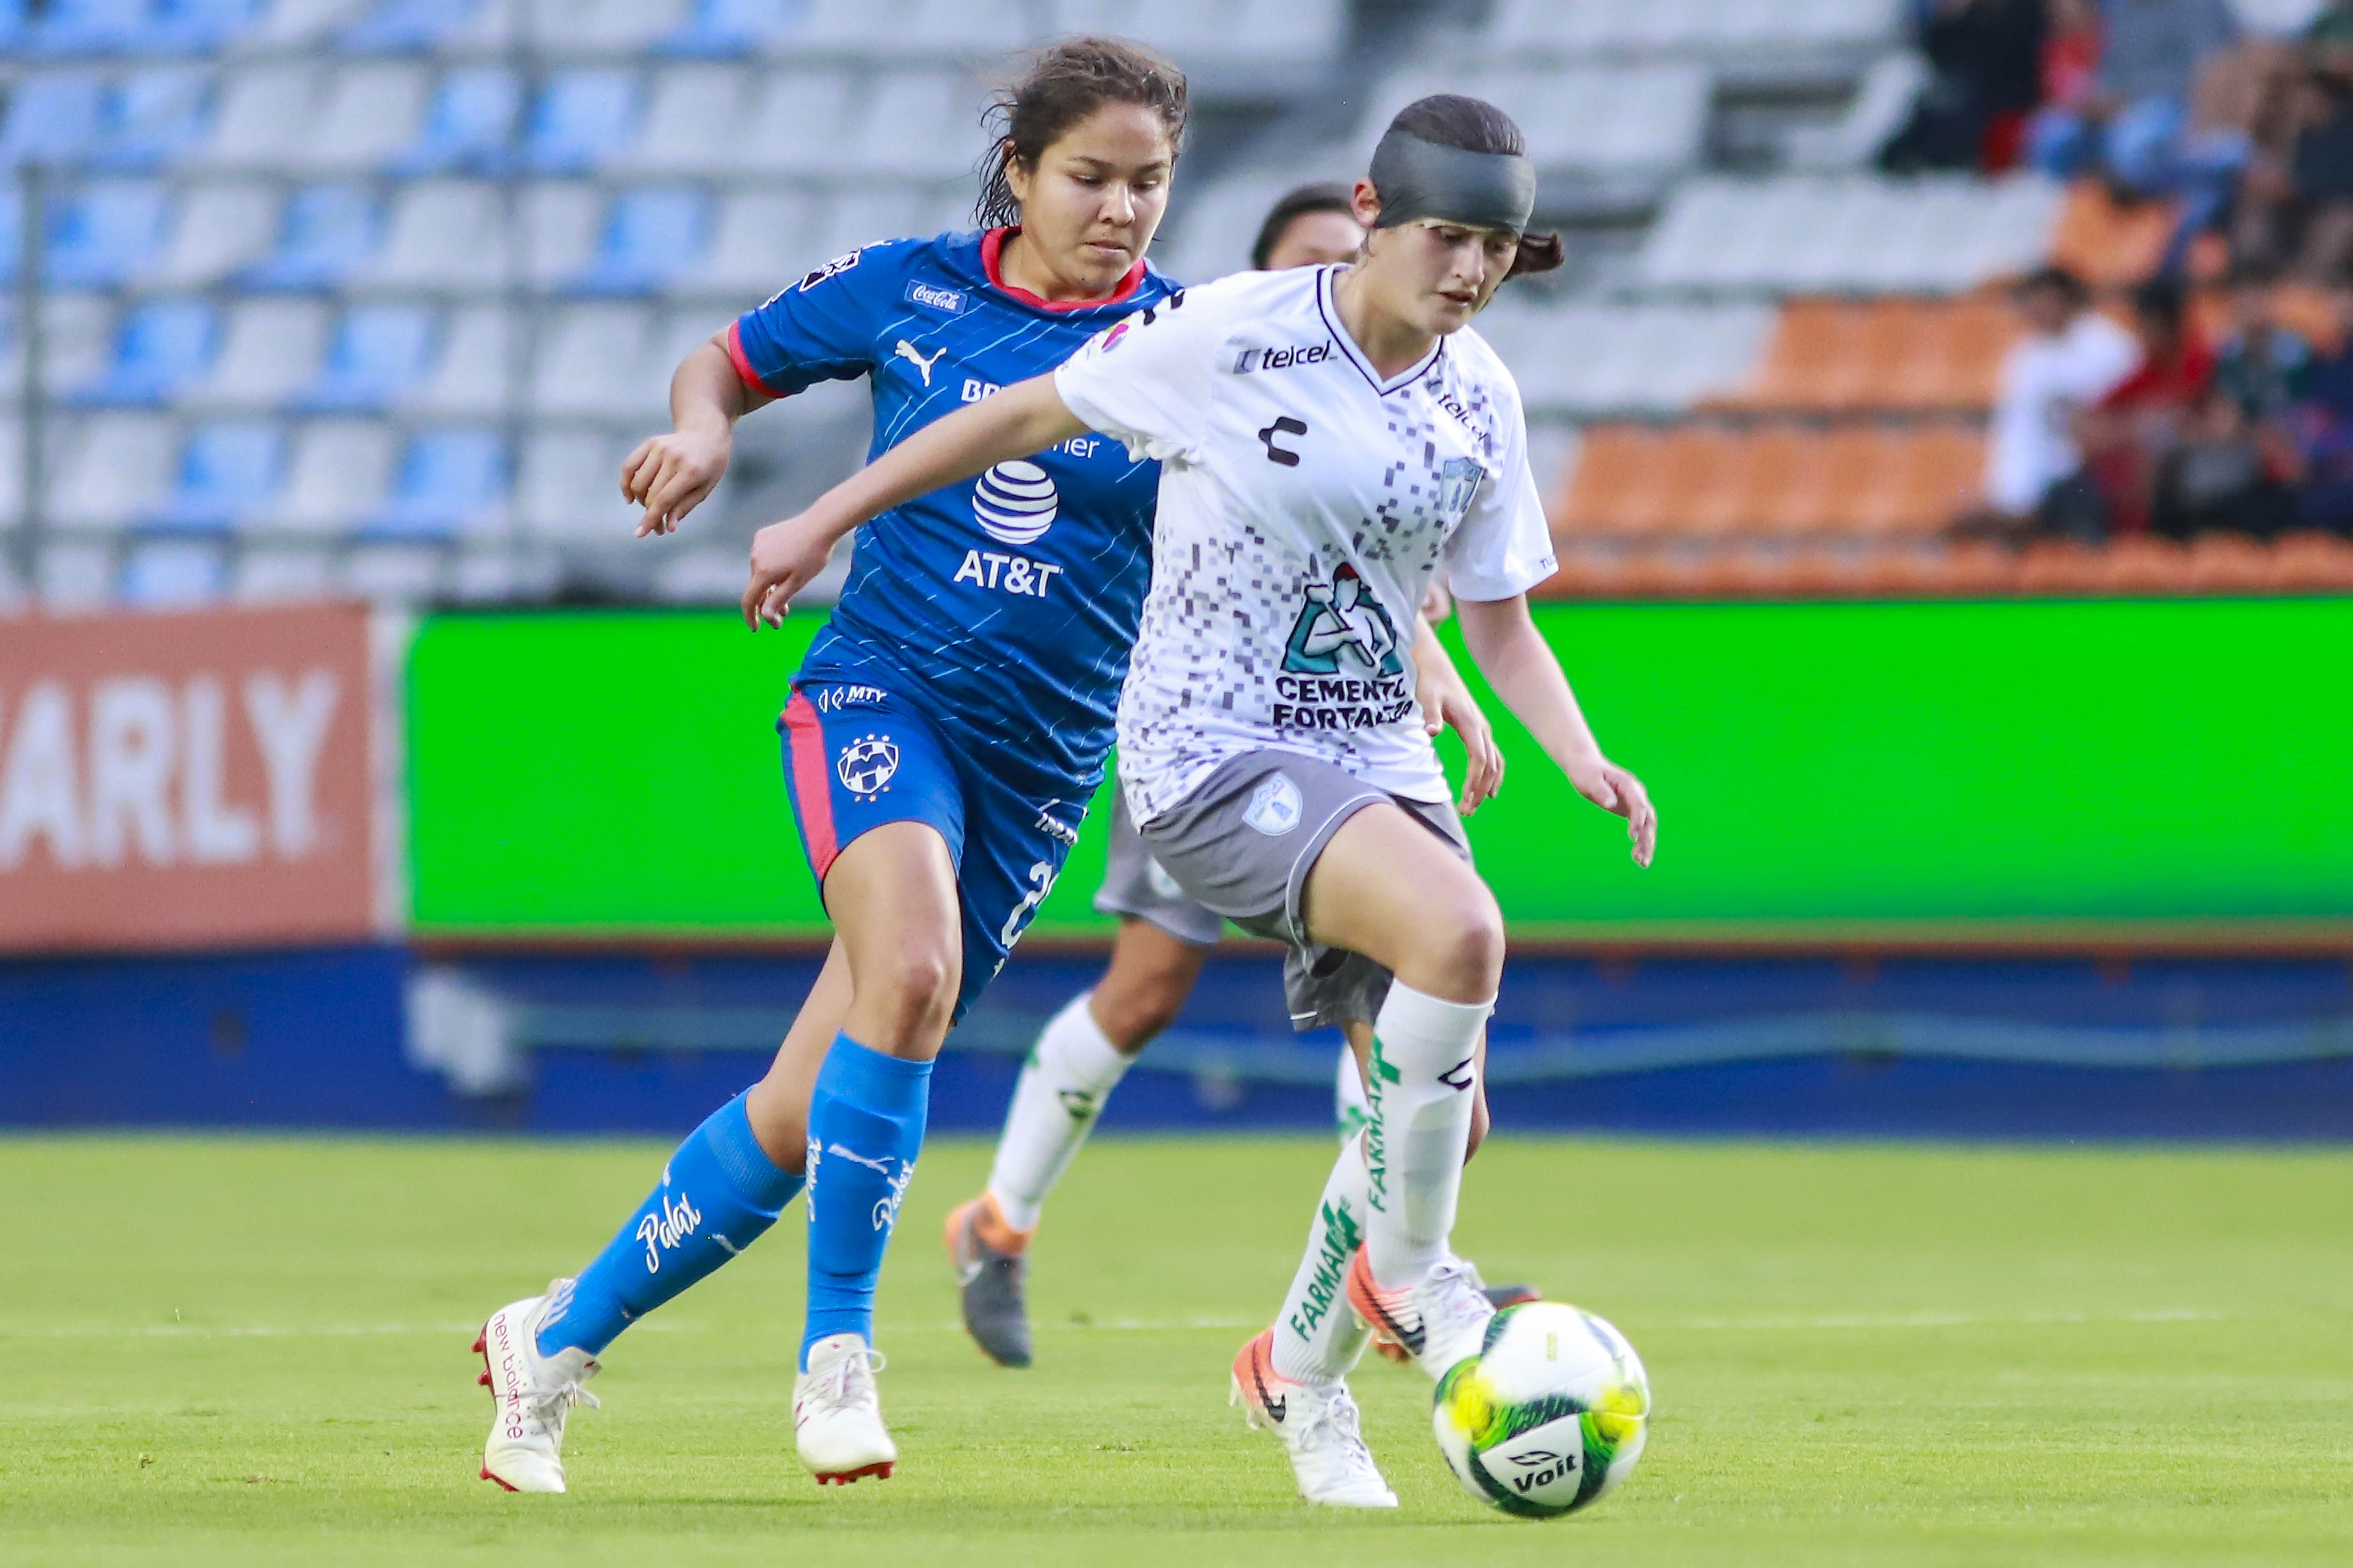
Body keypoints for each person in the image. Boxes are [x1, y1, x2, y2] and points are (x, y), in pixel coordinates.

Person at [736, 92, 1657, 1509]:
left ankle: (1301, 1368)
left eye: (1497, 246)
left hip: (1373, 759)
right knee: (1459, 941)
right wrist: (820, 518)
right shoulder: (1239, 330)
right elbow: (1018, 413)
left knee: (1434, 1118)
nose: (1471, 270)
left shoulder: (1482, 396)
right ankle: (1415, 1278)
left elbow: (1499, 619)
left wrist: (1580, 755)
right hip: (1213, 751)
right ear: (1372, 211)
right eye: (1448, 236)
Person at [473, 38, 1200, 1494]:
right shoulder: (914, 285)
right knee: (913, 971)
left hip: (1043, 770)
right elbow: (726, 364)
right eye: (1091, 176)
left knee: (805, 1113)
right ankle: (837, 1354)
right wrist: (697, 432)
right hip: (882, 694)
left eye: (1150, 183)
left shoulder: (1186, 344)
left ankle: (552, 1339)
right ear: (1020, 171)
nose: (1121, 207)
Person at [938, 185, 1526, 1375]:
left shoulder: (1415, 397)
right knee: (1149, 989)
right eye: (1311, 263)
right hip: (1207, 727)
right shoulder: (1225, 358)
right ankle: (997, 1220)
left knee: (1400, 1053)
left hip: (1341, 740)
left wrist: (1443, 674)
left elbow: (1382, 586)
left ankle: (1346, 1306)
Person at [1953, 264, 2140, 542]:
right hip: (2041, 483)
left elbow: (2125, 418)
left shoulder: (2110, 348)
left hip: (2094, 477)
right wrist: (2012, 495)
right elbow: (2017, 433)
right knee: (1963, 518)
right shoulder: (2025, 356)